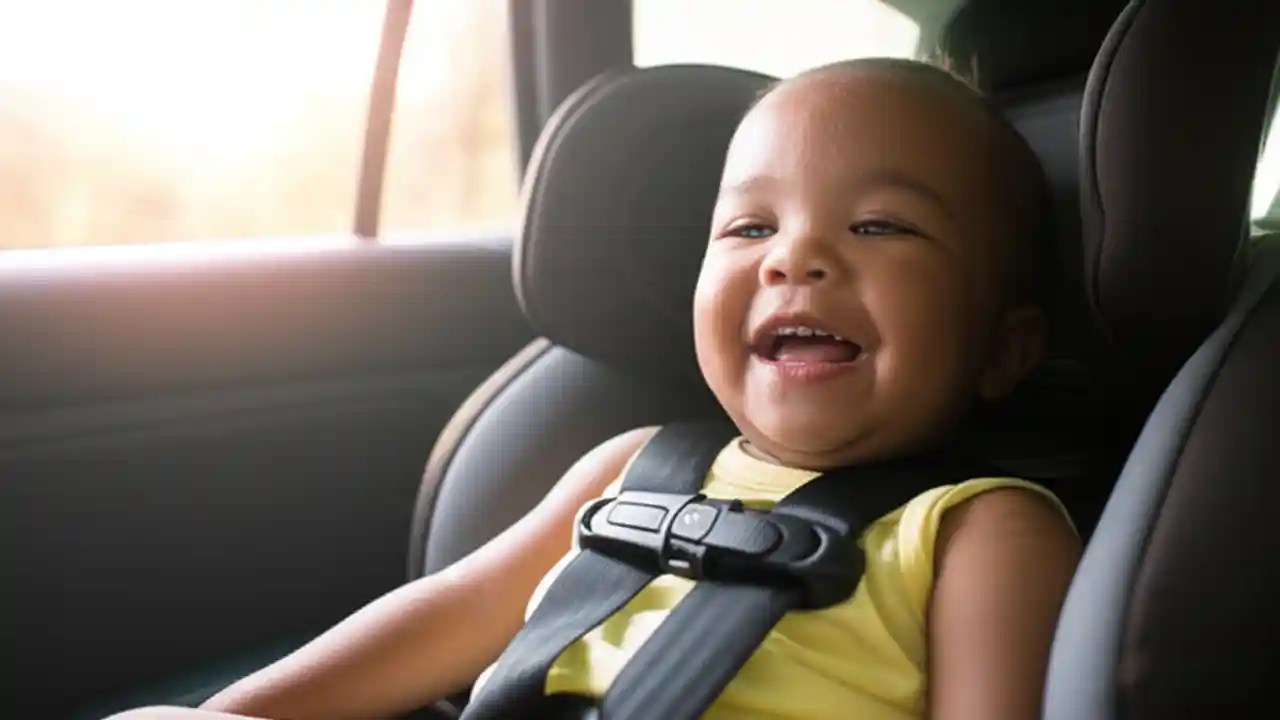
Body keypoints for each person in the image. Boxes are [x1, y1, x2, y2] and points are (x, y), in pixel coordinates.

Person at [115, 57, 1081, 720]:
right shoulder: (636, 463)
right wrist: (236, 712)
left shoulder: (980, 532)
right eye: (749, 229)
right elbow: (456, 610)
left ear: (1006, 350)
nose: (800, 256)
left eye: (881, 227)